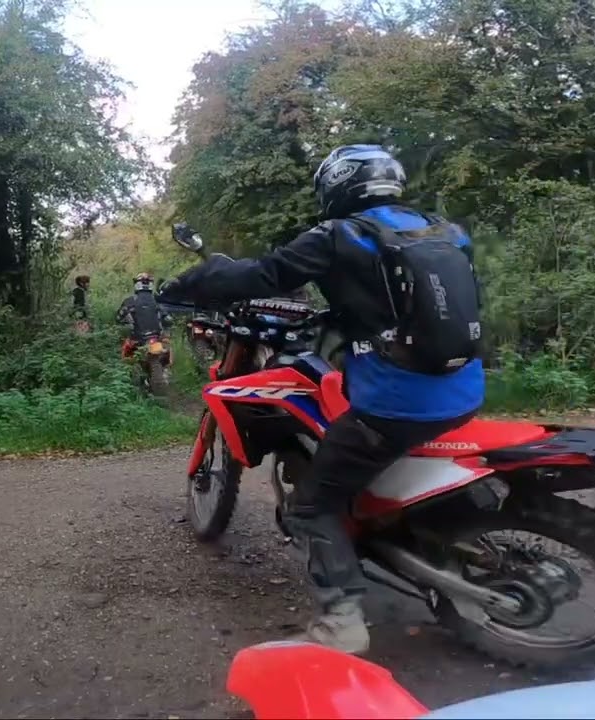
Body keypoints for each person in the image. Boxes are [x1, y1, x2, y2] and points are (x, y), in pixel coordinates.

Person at [157, 144, 485, 655]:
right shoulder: (445, 230)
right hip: (464, 390)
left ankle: (342, 621)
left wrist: (192, 281)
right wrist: (340, 315)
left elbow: (263, 275)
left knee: (311, 506)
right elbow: (413, 307)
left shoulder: (339, 235)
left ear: (338, 186)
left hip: (397, 404)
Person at [116, 273, 169, 355]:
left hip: (137, 338)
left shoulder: (129, 301)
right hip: (157, 337)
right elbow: (167, 319)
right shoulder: (157, 301)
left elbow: (118, 318)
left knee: (125, 352)